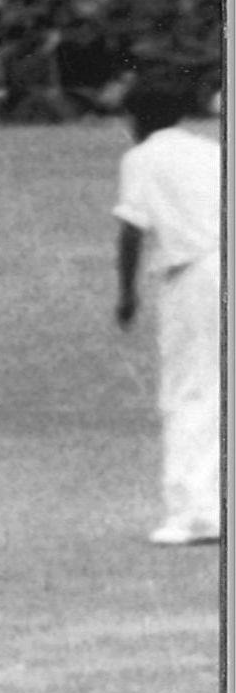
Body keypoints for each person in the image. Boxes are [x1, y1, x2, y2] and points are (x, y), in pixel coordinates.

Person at [112, 79, 222, 548]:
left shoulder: (141, 158)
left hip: (195, 272)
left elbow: (131, 231)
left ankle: (194, 512)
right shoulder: (209, 150)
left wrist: (126, 295)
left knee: (189, 391)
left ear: (137, 120)